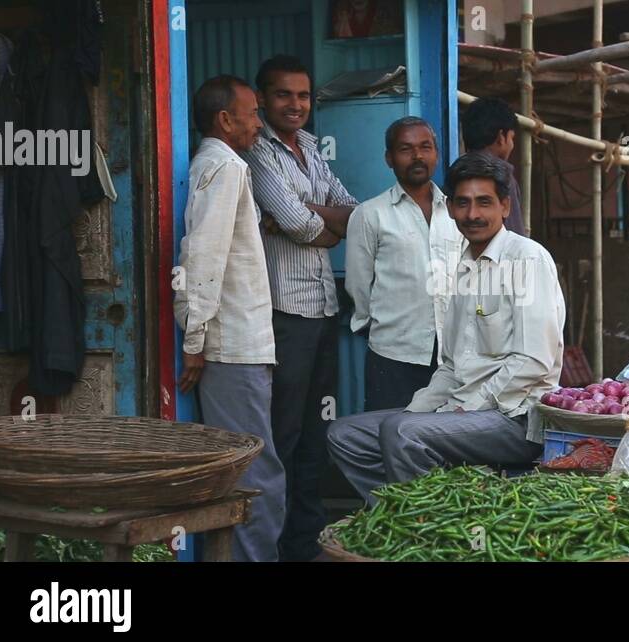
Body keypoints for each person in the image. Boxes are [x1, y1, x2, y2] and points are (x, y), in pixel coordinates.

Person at [327, 152, 565, 504]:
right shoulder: (463, 267)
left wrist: (469, 407)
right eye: (463, 203)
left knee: (402, 433)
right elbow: (452, 366)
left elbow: (532, 361)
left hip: (516, 417)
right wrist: (421, 409)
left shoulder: (526, 258)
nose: (473, 214)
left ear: (504, 205)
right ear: (450, 208)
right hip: (466, 409)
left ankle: (423, 529)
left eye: (484, 202)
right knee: (345, 434)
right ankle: (408, 515)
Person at [240, 55, 358, 562]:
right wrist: (317, 221)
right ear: (262, 100)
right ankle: (270, 545)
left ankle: (305, 543)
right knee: (282, 436)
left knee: (315, 435)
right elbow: (301, 225)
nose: (295, 105)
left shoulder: (309, 147)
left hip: (322, 307)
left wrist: (312, 218)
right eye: (284, 95)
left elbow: (358, 215)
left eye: (303, 96)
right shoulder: (257, 151)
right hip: (283, 313)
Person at [173, 75, 285, 562]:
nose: (259, 123)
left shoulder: (221, 165)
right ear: (225, 119)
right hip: (232, 346)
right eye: (253, 112)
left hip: (240, 344)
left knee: (251, 468)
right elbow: (203, 254)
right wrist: (194, 335)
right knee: (254, 474)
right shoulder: (222, 166)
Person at [345, 117, 462, 412]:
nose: (418, 156)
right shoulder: (370, 214)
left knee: (445, 443)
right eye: (406, 149)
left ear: (436, 154)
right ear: (389, 158)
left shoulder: (456, 213)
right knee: (386, 436)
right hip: (393, 353)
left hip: (451, 355)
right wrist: (377, 326)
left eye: (426, 147)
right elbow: (358, 285)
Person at [460, 97, 525, 236]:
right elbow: (514, 237)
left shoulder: (456, 174)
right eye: (512, 138)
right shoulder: (503, 177)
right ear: (501, 137)